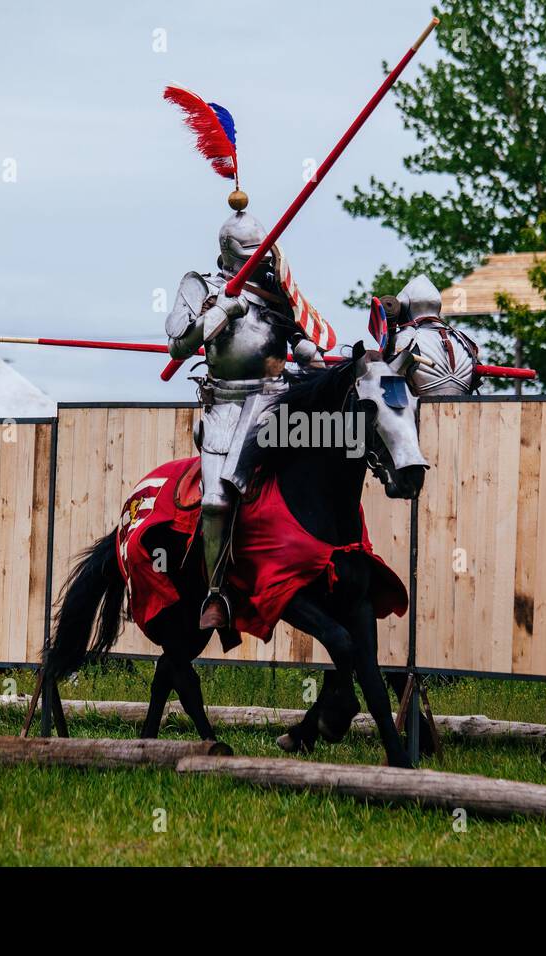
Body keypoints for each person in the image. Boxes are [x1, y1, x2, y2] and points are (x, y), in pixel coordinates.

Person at [163, 92, 335, 638]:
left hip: (278, 402)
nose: (257, 261)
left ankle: (335, 560)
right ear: (228, 253)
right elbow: (178, 346)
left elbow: (302, 340)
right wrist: (222, 312)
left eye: (263, 252)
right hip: (227, 406)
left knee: (334, 460)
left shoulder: (277, 292)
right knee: (216, 500)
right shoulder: (201, 286)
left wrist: (313, 358)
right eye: (249, 253)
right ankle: (216, 592)